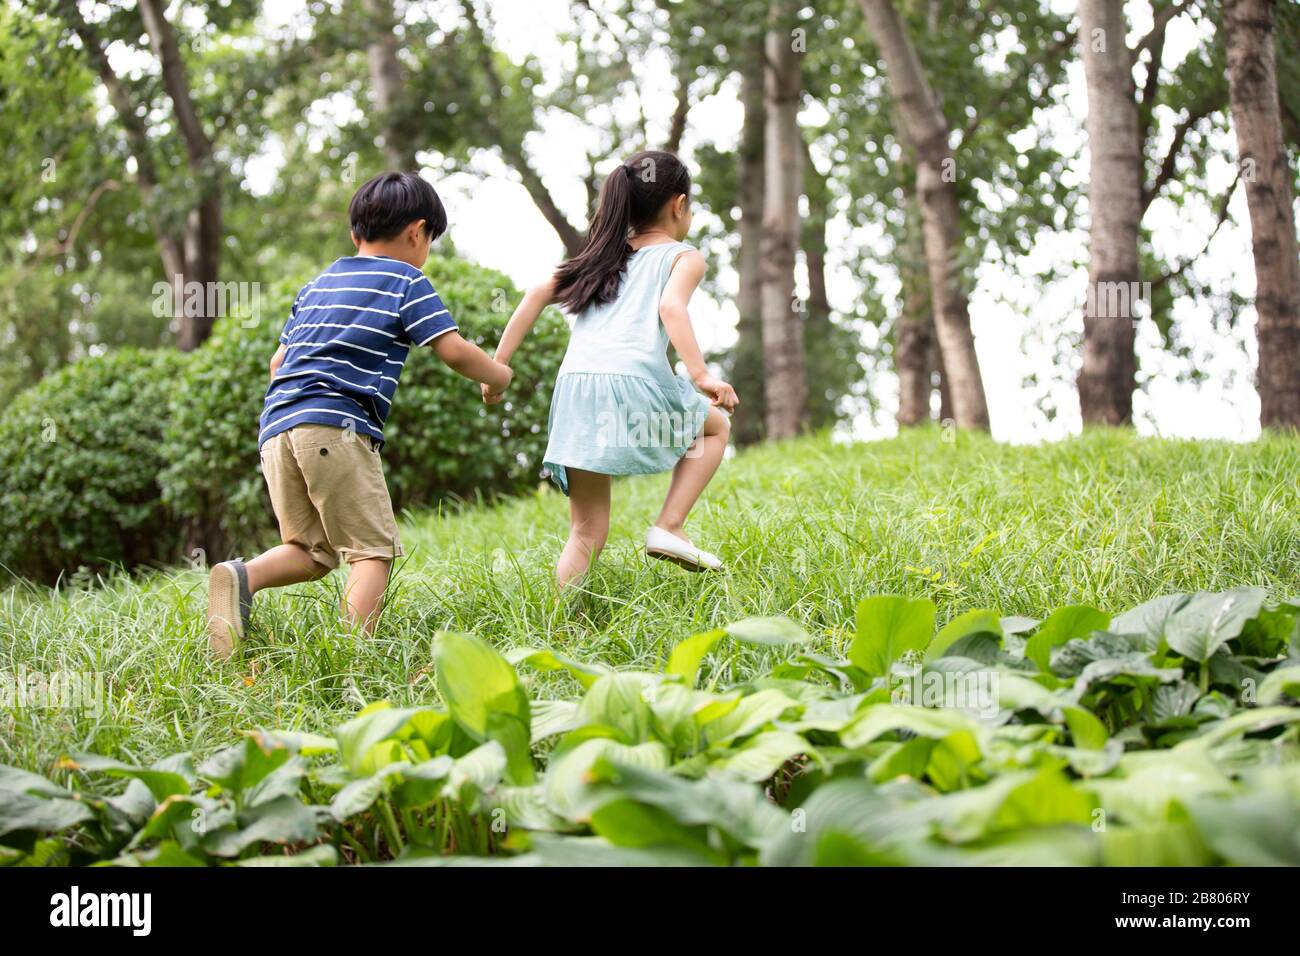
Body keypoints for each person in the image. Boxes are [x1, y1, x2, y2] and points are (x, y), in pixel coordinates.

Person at [206, 171, 512, 657]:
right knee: (372, 551)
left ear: (356, 234)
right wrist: (497, 376)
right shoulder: (407, 280)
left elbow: (277, 363)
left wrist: (294, 414)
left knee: (312, 552)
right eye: (429, 239)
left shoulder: (317, 284)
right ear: (418, 232)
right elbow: (452, 350)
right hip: (336, 426)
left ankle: (242, 577)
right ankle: (353, 655)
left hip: (276, 429)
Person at [487, 150, 738, 589]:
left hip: (576, 392)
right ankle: (670, 526)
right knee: (713, 428)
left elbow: (535, 294)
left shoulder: (600, 260)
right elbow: (670, 306)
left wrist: (498, 366)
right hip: (633, 380)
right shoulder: (684, 257)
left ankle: (557, 627)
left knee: (585, 532)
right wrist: (701, 376)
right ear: (679, 205)